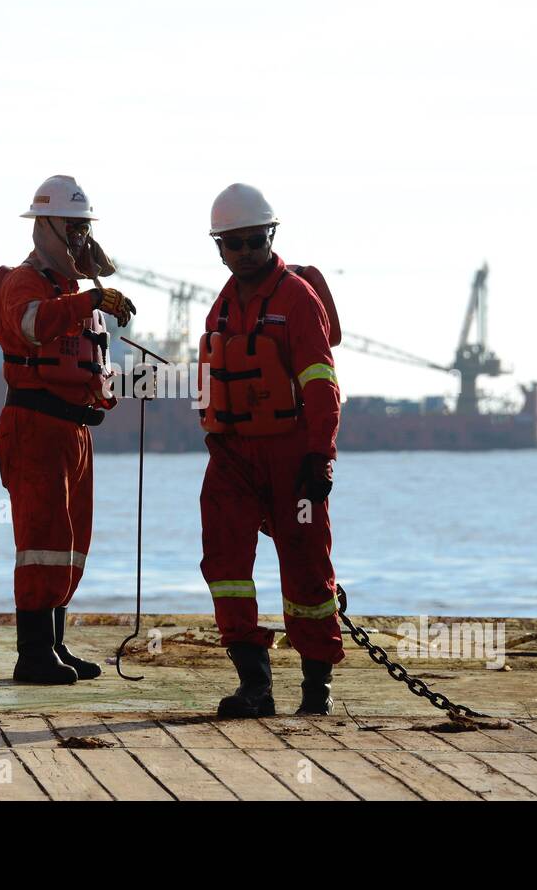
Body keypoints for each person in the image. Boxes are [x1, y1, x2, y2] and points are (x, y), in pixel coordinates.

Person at [197, 183, 344, 716]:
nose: (244, 253)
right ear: (219, 247)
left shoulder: (297, 299)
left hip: (292, 453)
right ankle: (254, 686)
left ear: (270, 236)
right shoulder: (222, 306)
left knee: (306, 567)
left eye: (253, 241)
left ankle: (316, 689)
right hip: (233, 457)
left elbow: (321, 384)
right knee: (224, 561)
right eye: (232, 244)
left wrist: (319, 456)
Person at [0, 174, 137, 684]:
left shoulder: (74, 290)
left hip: (73, 431)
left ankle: (55, 644)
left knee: (71, 540)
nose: (78, 237)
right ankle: (32, 655)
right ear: (46, 225)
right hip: (35, 426)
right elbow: (30, 325)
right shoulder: (24, 281)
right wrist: (90, 301)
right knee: (41, 539)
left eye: (83, 227)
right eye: (71, 227)